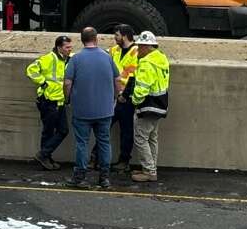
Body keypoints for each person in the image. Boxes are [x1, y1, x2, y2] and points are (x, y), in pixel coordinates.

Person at [63, 26, 122, 189]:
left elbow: (67, 83)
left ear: (82, 40)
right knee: (104, 141)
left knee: (82, 143)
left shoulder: (76, 59)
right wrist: (116, 98)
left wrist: (67, 98)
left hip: (82, 109)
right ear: (96, 39)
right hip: (105, 109)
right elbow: (118, 79)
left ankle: (79, 177)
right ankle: (104, 177)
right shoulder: (107, 57)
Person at [128, 31, 170, 183]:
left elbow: (143, 87)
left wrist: (135, 99)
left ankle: (149, 171)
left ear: (146, 47)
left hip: (147, 105)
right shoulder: (161, 58)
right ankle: (151, 167)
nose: (137, 50)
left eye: (139, 47)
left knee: (140, 138)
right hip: (160, 104)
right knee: (152, 138)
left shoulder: (147, 62)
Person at [26, 35, 72, 170]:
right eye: (67, 47)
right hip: (49, 102)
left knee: (62, 130)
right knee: (49, 132)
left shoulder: (68, 59)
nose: (70, 49)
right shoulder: (48, 58)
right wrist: (43, 83)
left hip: (60, 101)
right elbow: (30, 70)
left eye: (70, 47)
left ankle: (44, 155)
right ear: (59, 48)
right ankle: (45, 157)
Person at [109, 25, 139, 170]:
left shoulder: (136, 52)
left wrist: (124, 95)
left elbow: (134, 77)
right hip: (113, 95)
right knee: (104, 126)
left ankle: (124, 161)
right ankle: (95, 157)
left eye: (117, 35)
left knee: (126, 130)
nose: (115, 38)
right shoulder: (114, 50)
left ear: (125, 36)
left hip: (126, 99)